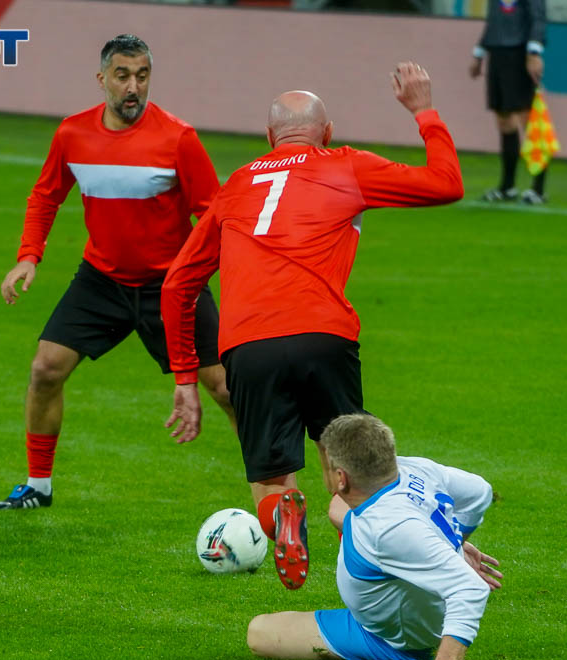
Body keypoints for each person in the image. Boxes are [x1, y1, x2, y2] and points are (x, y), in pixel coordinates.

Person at [161, 63, 463, 589]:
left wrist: (186, 378)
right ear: (327, 133)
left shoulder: (235, 187)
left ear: (267, 136)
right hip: (325, 336)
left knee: (271, 477)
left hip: (249, 345)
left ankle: (283, 514)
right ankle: (371, 569)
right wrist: (424, 112)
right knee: (354, 468)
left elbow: (176, 287)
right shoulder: (345, 164)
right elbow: (447, 183)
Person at [0, 34, 234, 510]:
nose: (133, 87)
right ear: (102, 78)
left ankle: (274, 486)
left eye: (142, 76)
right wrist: (28, 255)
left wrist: (200, 276)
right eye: (123, 76)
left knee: (227, 387)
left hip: (170, 284)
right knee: (45, 369)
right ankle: (38, 488)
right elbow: (46, 196)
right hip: (101, 280)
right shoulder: (72, 134)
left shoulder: (178, 138)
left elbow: (214, 214)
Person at [246, 414, 502, 660]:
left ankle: (397, 651)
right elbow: (480, 492)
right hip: (400, 545)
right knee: (338, 509)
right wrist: (454, 541)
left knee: (259, 632)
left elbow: (470, 588)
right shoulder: (413, 468)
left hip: (394, 637)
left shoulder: (386, 530)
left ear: (341, 478)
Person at [469, 0, 548, 205]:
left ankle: (538, 189)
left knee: (527, 119)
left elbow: (538, 18)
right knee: (504, 119)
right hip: (497, 53)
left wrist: (534, 53)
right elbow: (493, 21)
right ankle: (507, 187)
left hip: (520, 53)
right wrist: (479, 53)